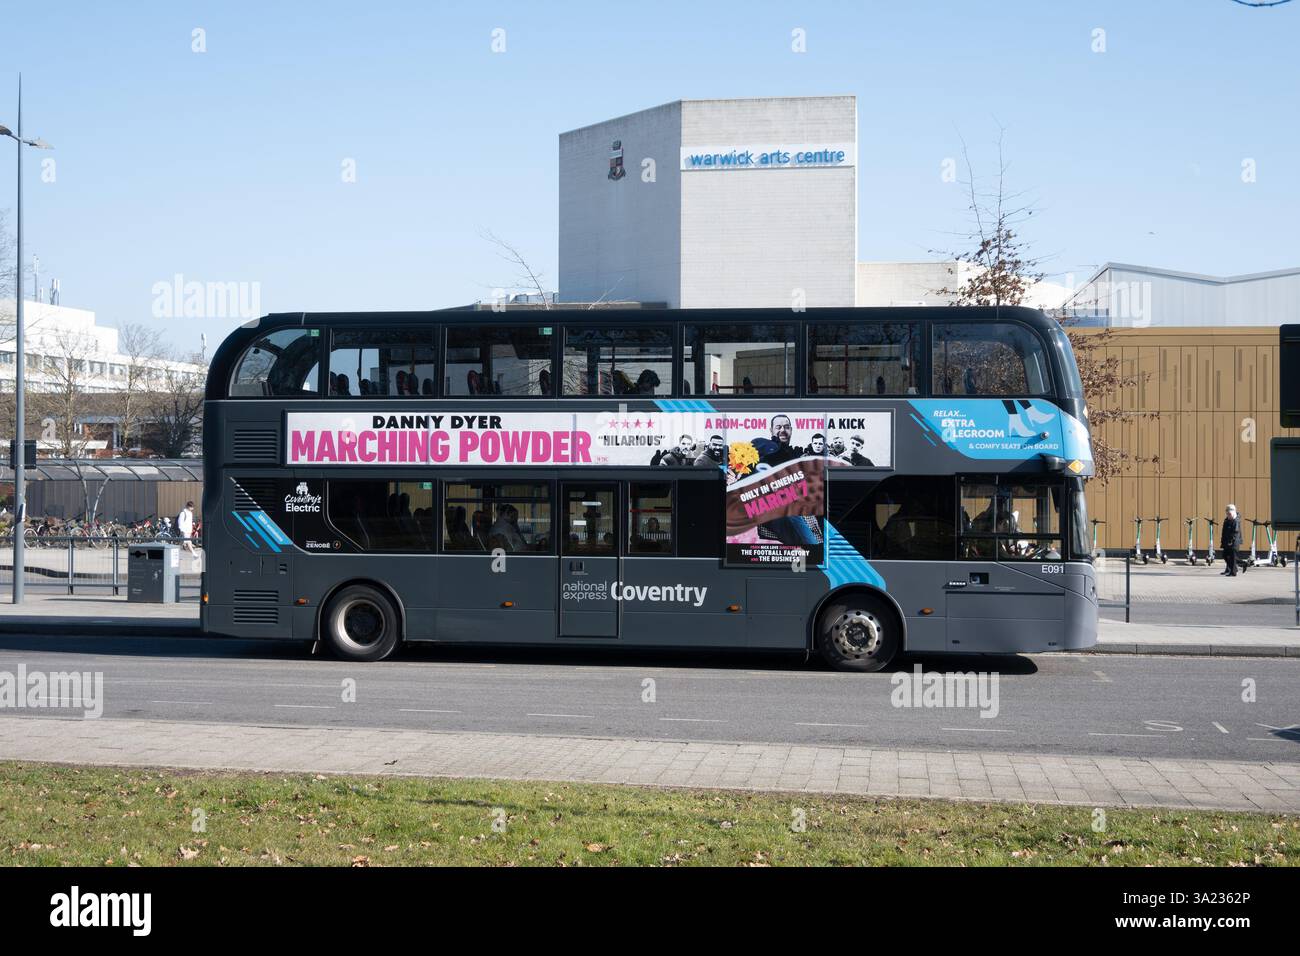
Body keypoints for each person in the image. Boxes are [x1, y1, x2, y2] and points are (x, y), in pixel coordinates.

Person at [1221, 504, 1244, 576]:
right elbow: (1224, 531)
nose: (1228, 514)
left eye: (1229, 513)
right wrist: (1223, 541)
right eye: (1227, 512)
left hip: (1234, 542)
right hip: (1227, 541)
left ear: (1233, 512)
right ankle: (1240, 565)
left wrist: (1231, 541)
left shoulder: (1235, 520)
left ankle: (1233, 572)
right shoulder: (1227, 520)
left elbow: (1235, 532)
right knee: (1225, 555)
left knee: (1233, 557)